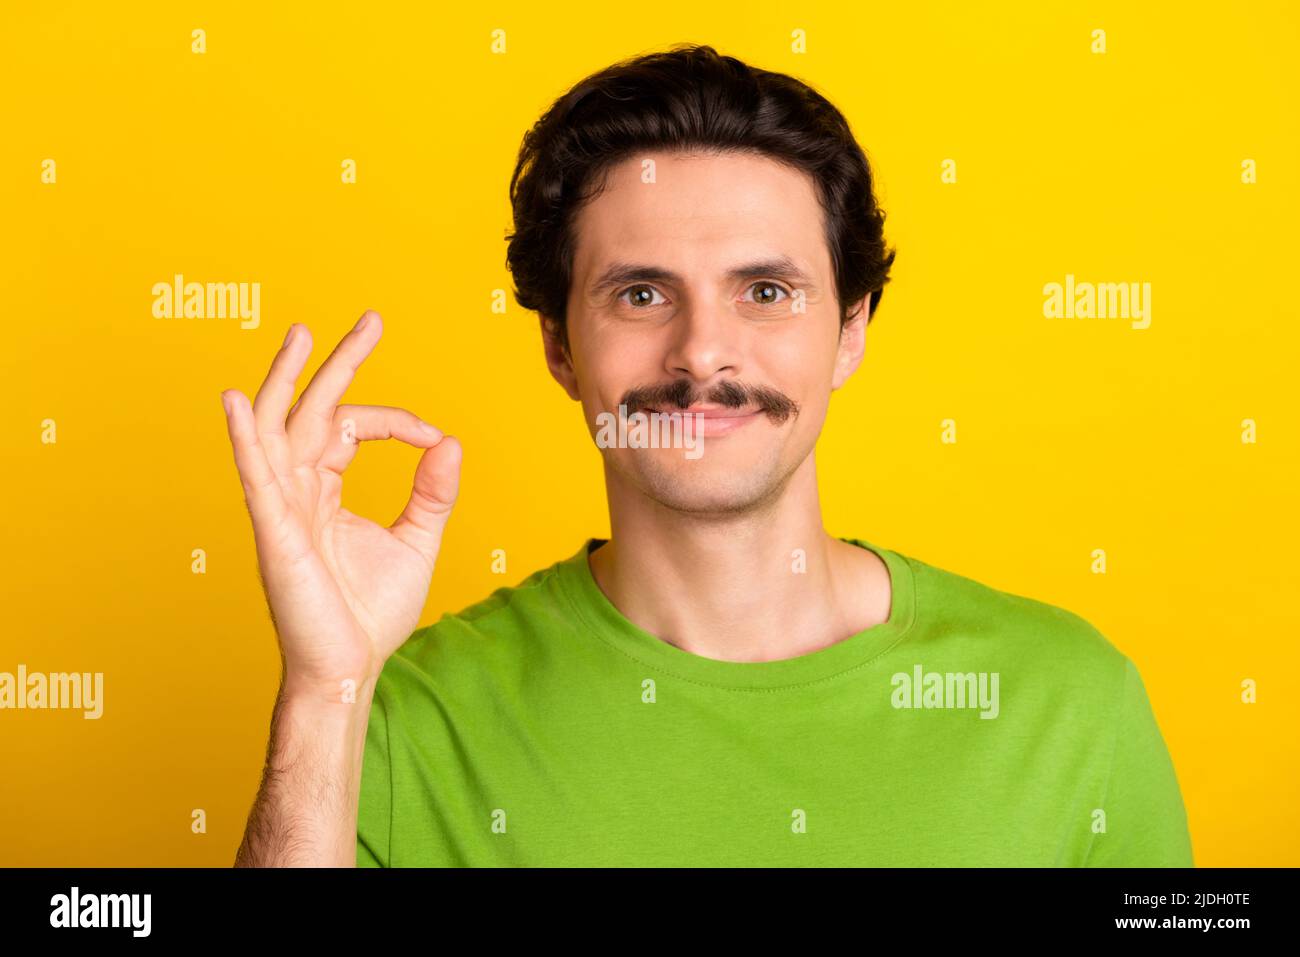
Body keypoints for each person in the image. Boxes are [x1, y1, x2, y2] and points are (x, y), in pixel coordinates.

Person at [225, 44, 1193, 867]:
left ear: (850, 330)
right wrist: (325, 690)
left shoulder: (1068, 701)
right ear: (559, 346)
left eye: (765, 292)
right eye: (641, 294)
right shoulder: (400, 718)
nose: (701, 352)